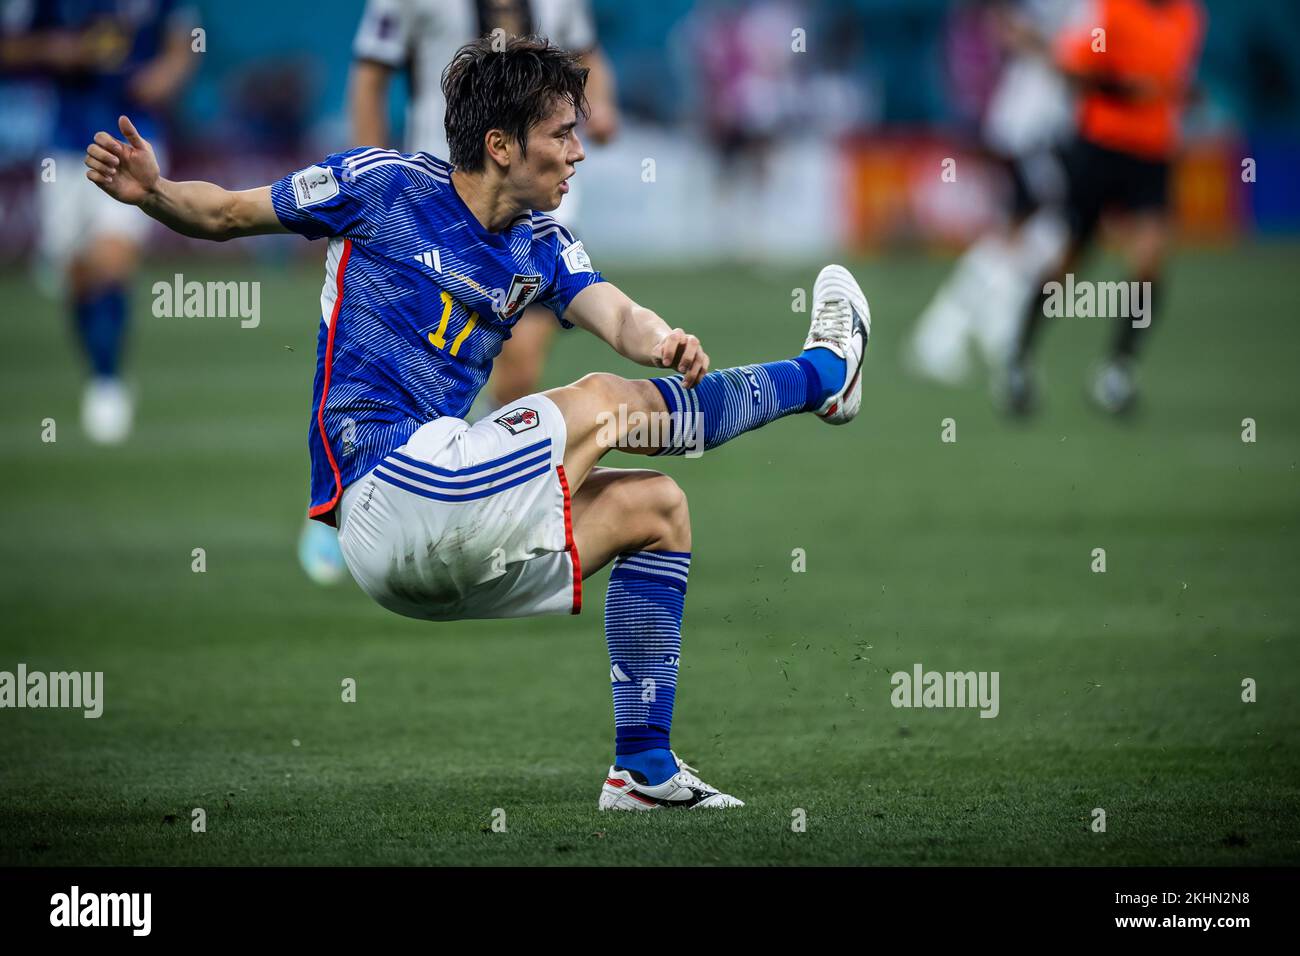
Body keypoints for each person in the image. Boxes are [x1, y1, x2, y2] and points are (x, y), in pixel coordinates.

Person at [83, 37, 870, 810]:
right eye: (561, 134)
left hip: (440, 548)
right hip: (386, 490)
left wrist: (660, 339)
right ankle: (821, 379)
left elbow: (616, 312)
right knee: (601, 400)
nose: (578, 152)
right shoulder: (381, 184)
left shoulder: (543, 248)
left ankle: (643, 768)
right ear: (500, 145)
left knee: (657, 509)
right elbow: (224, 213)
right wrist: (153, 192)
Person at [298, 0, 621, 585]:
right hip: (444, 193)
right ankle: (361, 486)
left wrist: (601, 108)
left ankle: (481, 509)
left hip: (528, 196)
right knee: (413, 369)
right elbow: (371, 74)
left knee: (520, 367)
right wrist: (370, 169)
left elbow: (585, 53)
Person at [1, 0, 196, 444]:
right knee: (75, 275)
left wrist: (165, 76)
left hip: (134, 141)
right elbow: (10, 48)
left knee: (113, 258)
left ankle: (107, 381)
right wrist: (57, 49)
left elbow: (183, 43)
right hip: (67, 147)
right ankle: (99, 365)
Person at [1004, 0, 1205, 416]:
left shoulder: (1188, 16)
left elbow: (1173, 80)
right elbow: (1071, 68)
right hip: (1101, 148)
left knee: (1149, 264)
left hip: (1152, 155)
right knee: (1068, 267)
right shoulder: (1111, 10)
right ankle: (1019, 360)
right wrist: (1124, 89)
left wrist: (1181, 96)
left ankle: (1117, 371)